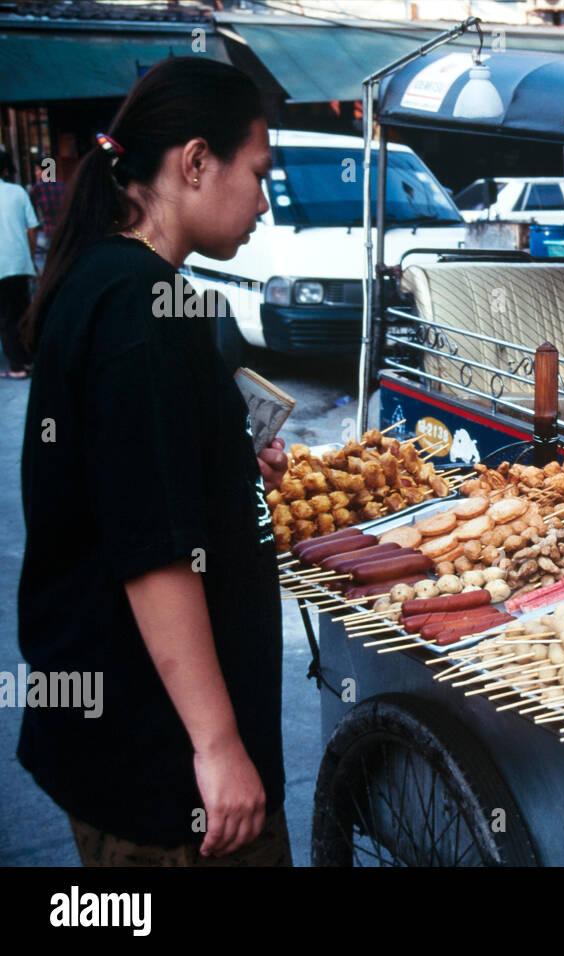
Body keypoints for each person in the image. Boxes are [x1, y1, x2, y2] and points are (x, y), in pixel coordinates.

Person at [18, 57, 291, 866]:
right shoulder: (143, 310)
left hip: (117, 745)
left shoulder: (110, 280)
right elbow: (151, 551)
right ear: (197, 162)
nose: (265, 201)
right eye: (258, 172)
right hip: (161, 766)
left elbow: (131, 476)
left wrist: (227, 465)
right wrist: (217, 747)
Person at [0, 149, 38, 378]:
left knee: (5, 317)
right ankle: (28, 360)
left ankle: (15, 367)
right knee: (23, 313)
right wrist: (29, 255)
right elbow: (32, 227)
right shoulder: (18, 191)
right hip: (21, 263)